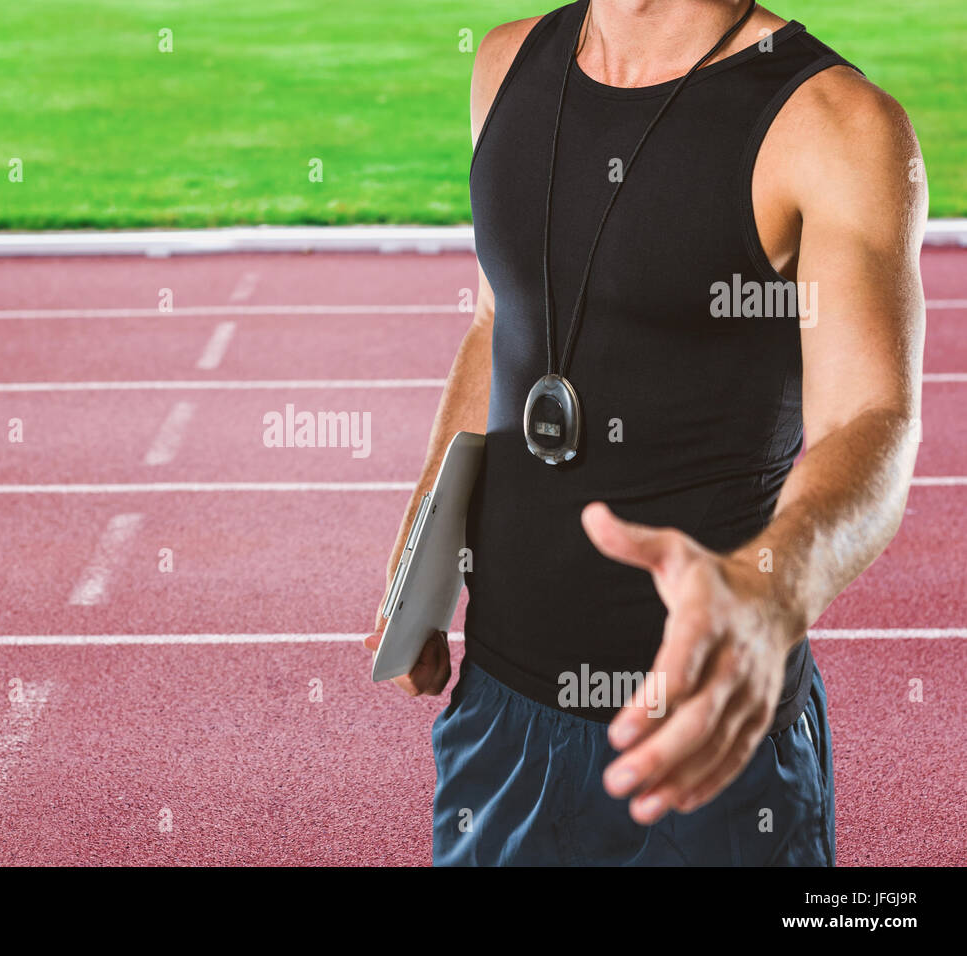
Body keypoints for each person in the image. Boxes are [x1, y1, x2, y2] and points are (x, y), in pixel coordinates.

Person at [365, 0, 926, 865]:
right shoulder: (507, 62)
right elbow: (495, 323)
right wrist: (422, 565)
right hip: (500, 714)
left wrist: (772, 593)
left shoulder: (833, 123)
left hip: (711, 737)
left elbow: (871, 420)